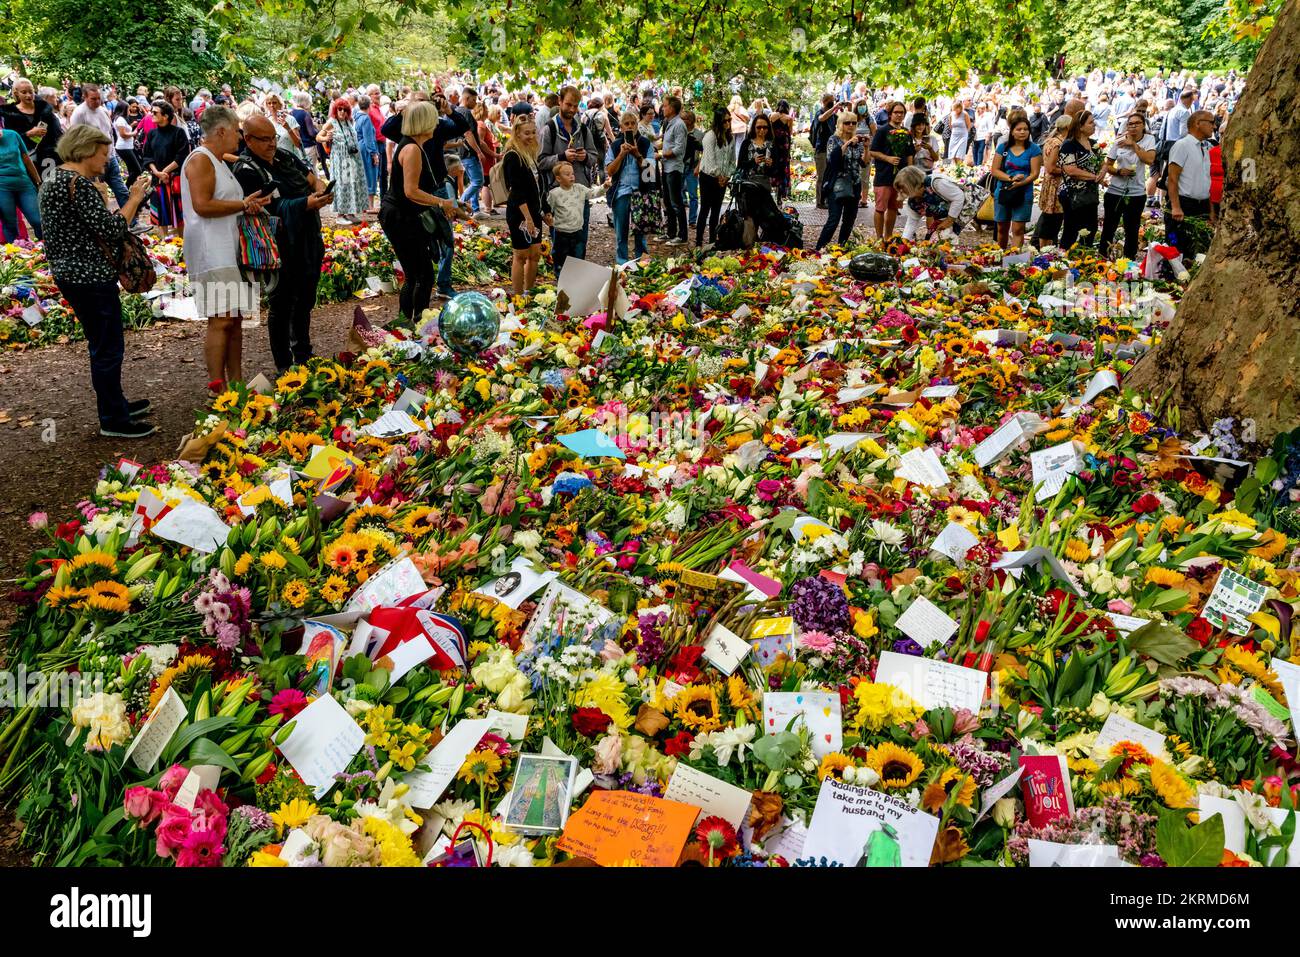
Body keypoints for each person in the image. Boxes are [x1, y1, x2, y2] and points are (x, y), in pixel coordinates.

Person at [36, 124, 155, 437]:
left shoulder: (55, 178)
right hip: (88, 276)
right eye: (103, 154)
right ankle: (113, 419)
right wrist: (134, 198)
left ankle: (115, 404)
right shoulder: (76, 183)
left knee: (103, 344)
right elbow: (112, 229)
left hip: (71, 274)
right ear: (86, 150)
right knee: (108, 347)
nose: (106, 160)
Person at [180, 106, 270, 389]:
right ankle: (217, 386)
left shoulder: (219, 161)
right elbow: (203, 205)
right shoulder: (200, 159)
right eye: (236, 131)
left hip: (228, 250)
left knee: (235, 319)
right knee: (221, 319)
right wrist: (243, 204)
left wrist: (248, 204)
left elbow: (225, 203)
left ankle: (237, 382)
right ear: (220, 131)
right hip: (211, 252)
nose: (240, 138)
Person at [234, 113, 331, 372]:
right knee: (282, 303)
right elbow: (267, 208)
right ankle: (284, 365)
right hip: (277, 245)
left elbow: (312, 178)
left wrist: (321, 190)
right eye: (264, 139)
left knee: (305, 299)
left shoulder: (285, 157)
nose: (271, 144)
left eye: (273, 138)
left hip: (308, 238)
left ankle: (303, 353)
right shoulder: (246, 170)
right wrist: (305, 203)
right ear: (248, 139)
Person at [379, 101, 459, 322]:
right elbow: (411, 191)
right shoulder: (412, 148)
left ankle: (410, 323)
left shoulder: (415, 145)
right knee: (421, 275)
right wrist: (442, 203)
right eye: (434, 119)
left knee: (417, 274)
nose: (437, 124)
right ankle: (416, 323)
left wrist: (456, 205)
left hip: (402, 214)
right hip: (400, 216)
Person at [537, 85, 606, 248]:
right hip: (559, 195)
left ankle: (577, 273)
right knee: (561, 246)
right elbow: (540, 162)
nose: (572, 109)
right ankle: (561, 273)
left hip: (580, 193)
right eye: (568, 104)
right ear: (560, 102)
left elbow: (593, 157)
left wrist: (585, 157)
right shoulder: (549, 130)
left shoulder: (582, 130)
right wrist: (562, 157)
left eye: (575, 106)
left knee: (580, 242)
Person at [501, 116, 549, 296]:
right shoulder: (513, 156)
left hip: (534, 212)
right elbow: (516, 191)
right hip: (520, 213)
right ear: (517, 134)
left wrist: (545, 210)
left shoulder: (530, 154)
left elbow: (538, 186)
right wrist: (528, 218)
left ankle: (529, 292)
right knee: (520, 255)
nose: (531, 136)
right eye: (526, 133)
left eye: (533, 132)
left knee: (535, 254)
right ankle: (518, 295)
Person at [1098, 111, 1155, 260]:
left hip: (1136, 193)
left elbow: (1149, 160)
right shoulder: (1119, 141)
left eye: (1137, 123)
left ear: (1143, 126)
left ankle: (1129, 263)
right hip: (1115, 191)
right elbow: (1107, 165)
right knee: (1109, 228)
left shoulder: (1149, 139)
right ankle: (1103, 258)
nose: (1133, 126)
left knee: (1132, 230)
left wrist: (1134, 145)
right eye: (1130, 124)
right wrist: (1118, 171)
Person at [69, 84, 129, 209]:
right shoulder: (79, 113)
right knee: (97, 194)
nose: (97, 101)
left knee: (121, 190)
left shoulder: (103, 110)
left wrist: (113, 153)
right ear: (85, 97)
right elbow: (75, 139)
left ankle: (132, 222)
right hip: (93, 161)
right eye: (93, 99)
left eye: (99, 98)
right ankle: (101, 224)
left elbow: (109, 133)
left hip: (110, 158)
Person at [1164, 109, 1214, 260]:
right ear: (1198, 123)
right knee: (1177, 248)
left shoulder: (1208, 147)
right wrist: (1176, 206)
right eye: (1211, 122)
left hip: (1202, 205)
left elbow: (1209, 180)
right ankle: (1173, 280)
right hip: (1183, 204)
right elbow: (1172, 178)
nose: (1214, 126)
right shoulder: (1182, 145)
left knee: (1199, 248)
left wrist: (1211, 210)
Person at [606, 110, 654, 264]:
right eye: (626, 124)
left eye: (633, 123)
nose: (630, 126)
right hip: (621, 191)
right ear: (621, 127)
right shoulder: (615, 145)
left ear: (637, 126)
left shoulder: (645, 144)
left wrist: (637, 155)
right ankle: (622, 262)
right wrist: (621, 155)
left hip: (640, 192)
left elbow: (650, 173)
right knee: (621, 230)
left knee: (640, 231)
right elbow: (609, 171)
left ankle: (641, 261)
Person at [814, 112, 867, 251]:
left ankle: (841, 248)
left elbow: (864, 163)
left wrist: (866, 147)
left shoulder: (858, 142)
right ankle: (819, 248)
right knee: (833, 220)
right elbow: (833, 159)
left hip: (854, 184)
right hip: (837, 184)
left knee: (849, 221)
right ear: (840, 124)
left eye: (853, 123)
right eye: (847, 122)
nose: (850, 125)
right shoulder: (834, 139)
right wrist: (848, 143)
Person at [990, 113, 1042, 249]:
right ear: (1012, 131)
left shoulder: (1034, 149)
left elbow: (1035, 173)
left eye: (1025, 129)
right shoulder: (1003, 148)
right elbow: (994, 170)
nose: (1023, 132)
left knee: (1018, 229)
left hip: (1024, 193)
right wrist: (1011, 178)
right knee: (1002, 227)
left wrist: (1022, 182)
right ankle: (999, 256)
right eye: (1019, 129)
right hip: (1004, 191)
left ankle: (1014, 259)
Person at [141, 102, 191, 237]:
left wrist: (165, 171)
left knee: (178, 215)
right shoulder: (152, 134)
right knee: (160, 214)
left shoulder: (178, 133)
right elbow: (147, 155)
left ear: (166, 116)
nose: (152, 114)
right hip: (158, 180)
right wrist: (157, 173)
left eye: (155, 112)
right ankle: (164, 244)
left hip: (174, 180)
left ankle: (182, 244)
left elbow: (182, 155)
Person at [546, 160, 605, 273]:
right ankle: (561, 281)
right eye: (567, 175)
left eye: (572, 174)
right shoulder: (555, 194)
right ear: (558, 178)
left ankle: (576, 279)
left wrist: (604, 187)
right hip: (561, 233)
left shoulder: (580, 189)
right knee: (560, 260)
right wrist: (548, 218)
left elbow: (593, 193)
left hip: (577, 232)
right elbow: (548, 210)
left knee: (578, 257)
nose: (571, 177)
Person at [317, 98, 368, 224]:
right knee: (342, 184)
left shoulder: (349, 121)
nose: (342, 112)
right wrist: (326, 137)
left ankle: (350, 212)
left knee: (353, 184)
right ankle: (340, 215)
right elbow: (318, 137)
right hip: (340, 160)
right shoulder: (331, 122)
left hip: (354, 159)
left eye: (345, 110)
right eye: (340, 109)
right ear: (336, 110)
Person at [1057, 110, 1103, 250]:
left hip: (1090, 194)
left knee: (1090, 229)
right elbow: (1071, 170)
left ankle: (1084, 259)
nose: (1094, 125)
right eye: (1090, 123)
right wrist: (1094, 177)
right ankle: (1065, 261)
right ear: (1080, 126)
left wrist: (1103, 172)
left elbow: (1102, 164)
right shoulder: (1069, 145)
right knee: (1071, 230)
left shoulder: (1094, 144)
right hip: (1073, 195)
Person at [868, 101, 913, 238]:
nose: (899, 115)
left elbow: (910, 153)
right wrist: (888, 158)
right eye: (896, 112)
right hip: (884, 176)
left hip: (900, 177)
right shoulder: (882, 130)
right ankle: (879, 238)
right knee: (881, 208)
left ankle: (888, 236)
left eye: (901, 113)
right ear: (890, 114)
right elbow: (872, 152)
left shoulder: (906, 132)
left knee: (894, 207)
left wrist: (909, 173)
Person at [895, 164, 966, 241]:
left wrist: (949, 220)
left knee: (942, 240)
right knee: (931, 242)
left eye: (903, 188)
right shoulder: (913, 202)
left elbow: (959, 197)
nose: (901, 191)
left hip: (967, 205)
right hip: (946, 216)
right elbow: (912, 222)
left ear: (914, 183)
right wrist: (904, 241)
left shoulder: (936, 183)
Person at [696, 106, 734, 248]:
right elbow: (710, 160)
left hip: (722, 178)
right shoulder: (710, 136)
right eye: (725, 121)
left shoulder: (730, 138)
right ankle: (699, 242)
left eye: (729, 120)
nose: (728, 123)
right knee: (705, 209)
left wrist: (727, 176)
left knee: (716, 210)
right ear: (718, 121)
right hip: (708, 177)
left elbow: (732, 160)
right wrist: (719, 176)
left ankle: (712, 241)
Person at [1031, 115, 1071, 248]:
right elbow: (1050, 168)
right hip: (1055, 184)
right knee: (1051, 218)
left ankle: (1048, 246)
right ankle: (1044, 247)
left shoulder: (1051, 140)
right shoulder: (1057, 144)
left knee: (1053, 218)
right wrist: (1071, 171)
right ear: (1067, 127)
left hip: (1052, 184)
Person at [0, 119, 42, 240]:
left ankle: (46, 251)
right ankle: (15, 256)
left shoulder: (13, 135)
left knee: (38, 220)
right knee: (10, 225)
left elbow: (26, 159)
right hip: (2, 188)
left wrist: (38, 182)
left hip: (23, 184)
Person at [658, 95, 689, 246]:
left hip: (674, 168)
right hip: (666, 167)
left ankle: (682, 235)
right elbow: (665, 143)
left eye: (664, 106)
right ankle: (671, 232)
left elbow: (679, 148)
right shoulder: (668, 123)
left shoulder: (679, 125)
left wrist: (662, 154)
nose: (662, 108)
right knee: (668, 201)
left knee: (677, 202)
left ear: (671, 108)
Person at [354, 94, 381, 209]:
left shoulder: (357, 116)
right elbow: (369, 139)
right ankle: (370, 206)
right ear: (369, 105)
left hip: (360, 147)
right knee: (370, 175)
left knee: (363, 175)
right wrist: (374, 154)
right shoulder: (365, 118)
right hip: (366, 149)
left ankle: (365, 204)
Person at [812, 93, 838, 208]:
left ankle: (827, 199)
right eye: (831, 101)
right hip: (821, 149)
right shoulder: (820, 113)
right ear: (824, 101)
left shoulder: (833, 116)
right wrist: (834, 108)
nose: (833, 102)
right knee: (821, 176)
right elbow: (822, 118)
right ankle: (820, 201)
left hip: (831, 150)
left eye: (834, 100)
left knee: (830, 176)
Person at [112, 101, 142, 181]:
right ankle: (127, 188)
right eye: (128, 109)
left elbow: (125, 130)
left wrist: (132, 126)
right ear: (123, 110)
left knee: (131, 170)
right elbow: (123, 134)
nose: (129, 111)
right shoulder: (120, 120)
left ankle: (131, 188)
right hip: (124, 147)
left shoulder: (120, 119)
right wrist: (134, 133)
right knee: (137, 170)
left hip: (127, 146)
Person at [291, 92, 320, 169]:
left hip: (298, 147)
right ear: (306, 102)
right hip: (308, 146)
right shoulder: (305, 114)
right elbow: (312, 133)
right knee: (312, 170)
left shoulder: (291, 112)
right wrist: (317, 129)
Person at [946, 99, 971, 163]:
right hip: (954, 136)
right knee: (953, 154)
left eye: (958, 108)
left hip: (962, 136)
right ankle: (955, 169)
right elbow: (950, 125)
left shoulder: (965, 114)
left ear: (961, 107)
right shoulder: (951, 114)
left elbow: (969, 126)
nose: (956, 110)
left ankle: (959, 169)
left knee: (959, 155)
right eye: (955, 108)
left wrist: (965, 134)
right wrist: (955, 132)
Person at [728, 94, 749, 163]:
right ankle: (737, 161)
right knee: (739, 145)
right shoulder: (741, 108)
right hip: (741, 129)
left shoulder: (729, 108)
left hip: (732, 128)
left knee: (731, 145)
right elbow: (747, 118)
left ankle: (731, 160)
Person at [973, 102, 995, 166]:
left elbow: (990, 128)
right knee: (974, 151)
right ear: (978, 108)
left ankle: (978, 166)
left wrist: (988, 136)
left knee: (980, 151)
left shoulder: (988, 116)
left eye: (983, 108)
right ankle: (975, 165)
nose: (982, 110)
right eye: (980, 108)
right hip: (974, 137)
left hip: (983, 137)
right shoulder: (975, 116)